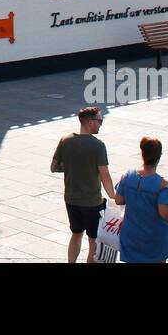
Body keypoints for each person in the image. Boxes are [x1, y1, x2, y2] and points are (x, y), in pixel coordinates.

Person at [50, 106, 117, 263]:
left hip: (71, 200)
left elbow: (54, 167)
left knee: (76, 233)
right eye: (100, 120)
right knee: (93, 239)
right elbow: (105, 176)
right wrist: (114, 197)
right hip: (92, 202)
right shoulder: (98, 145)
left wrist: (73, 166)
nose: (101, 124)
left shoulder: (65, 140)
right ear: (90, 122)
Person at [113, 136, 168, 263]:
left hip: (131, 235)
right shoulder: (162, 184)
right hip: (154, 237)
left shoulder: (127, 176)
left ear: (142, 154)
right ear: (159, 156)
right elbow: (164, 213)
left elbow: (119, 200)